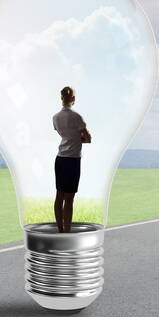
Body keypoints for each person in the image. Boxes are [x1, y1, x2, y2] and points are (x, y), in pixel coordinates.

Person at [52, 86, 91, 234]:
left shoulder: (55, 117)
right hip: (73, 160)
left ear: (61, 98)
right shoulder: (77, 117)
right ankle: (67, 232)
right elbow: (88, 139)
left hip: (60, 159)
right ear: (73, 99)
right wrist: (78, 138)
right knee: (69, 198)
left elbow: (63, 135)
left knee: (59, 195)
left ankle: (60, 229)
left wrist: (71, 137)